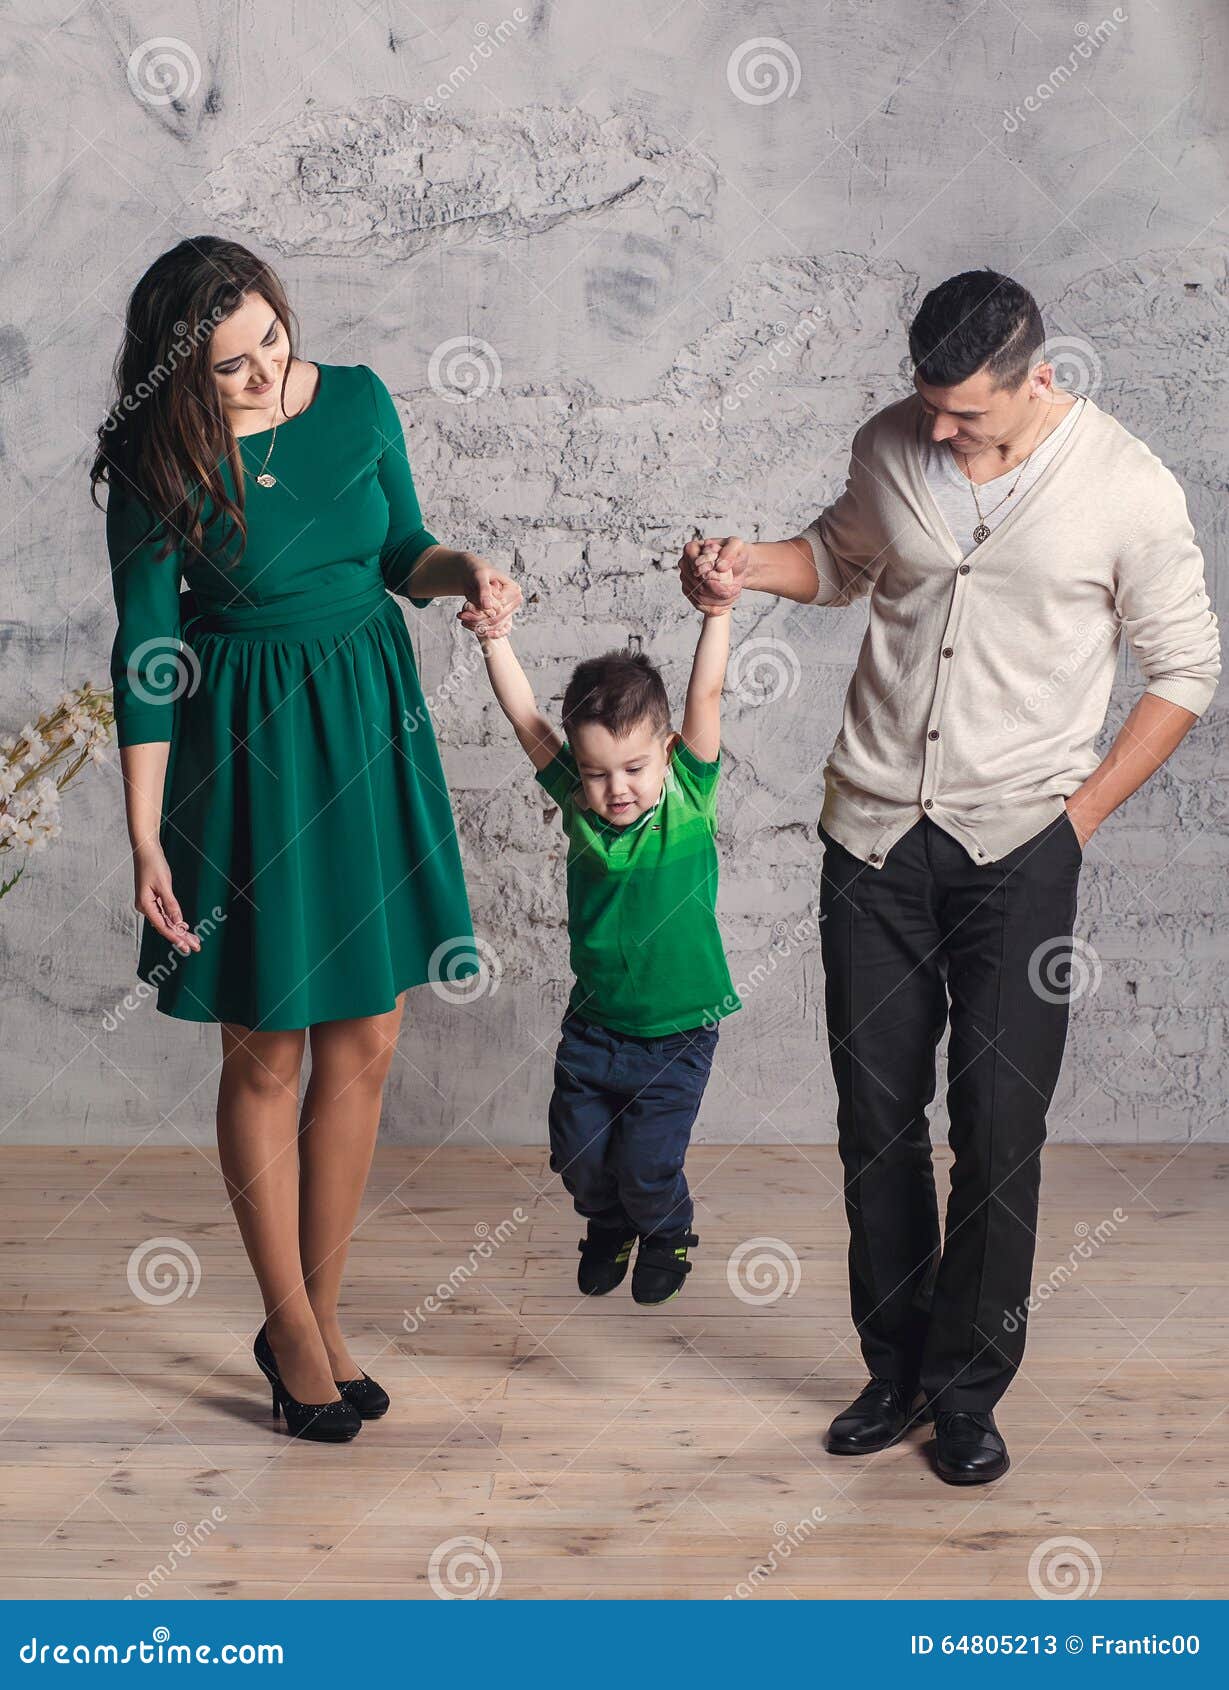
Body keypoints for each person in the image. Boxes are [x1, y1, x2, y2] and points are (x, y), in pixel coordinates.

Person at [679, 269, 1220, 1483]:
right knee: (873, 1123)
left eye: (963, 412)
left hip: (1019, 850)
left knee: (995, 1127)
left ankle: (967, 1389)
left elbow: (1186, 666)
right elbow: (838, 559)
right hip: (869, 842)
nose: (936, 430)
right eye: (926, 403)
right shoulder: (892, 442)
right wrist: (741, 568)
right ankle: (894, 1370)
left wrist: (1073, 825)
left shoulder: (1124, 485)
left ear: (1036, 380)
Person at [94, 236, 521, 1442]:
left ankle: (319, 1319)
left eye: (272, 342)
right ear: (180, 372)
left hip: (369, 723)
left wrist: (464, 572)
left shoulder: (362, 400)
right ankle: (289, 1330)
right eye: (230, 365)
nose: (263, 373)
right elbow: (147, 649)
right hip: (245, 752)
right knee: (268, 1046)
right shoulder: (155, 456)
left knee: (369, 1034)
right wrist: (144, 836)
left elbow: (400, 551)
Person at [464, 556, 741, 1303]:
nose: (616, 789)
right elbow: (526, 719)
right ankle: (609, 1223)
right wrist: (494, 638)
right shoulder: (578, 803)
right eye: (596, 774)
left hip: (678, 1032)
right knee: (579, 1157)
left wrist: (716, 614)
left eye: (633, 768)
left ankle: (668, 1228)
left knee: (648, 1164)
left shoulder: (689, 794)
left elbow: (705, 693)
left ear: (667, 755)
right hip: (594, 1027)